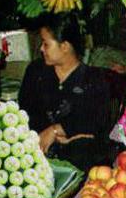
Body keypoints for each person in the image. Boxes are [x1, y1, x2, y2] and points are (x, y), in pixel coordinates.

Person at [19, 13, 112, 170]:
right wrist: (47, 135)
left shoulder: (94, 79)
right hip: (38, 151)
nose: (41, 48)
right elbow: (25, 111)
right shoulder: (36, 72)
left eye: (46, 44)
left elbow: (96, 122)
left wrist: (56, 130)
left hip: (78, 156)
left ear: (65, 47)